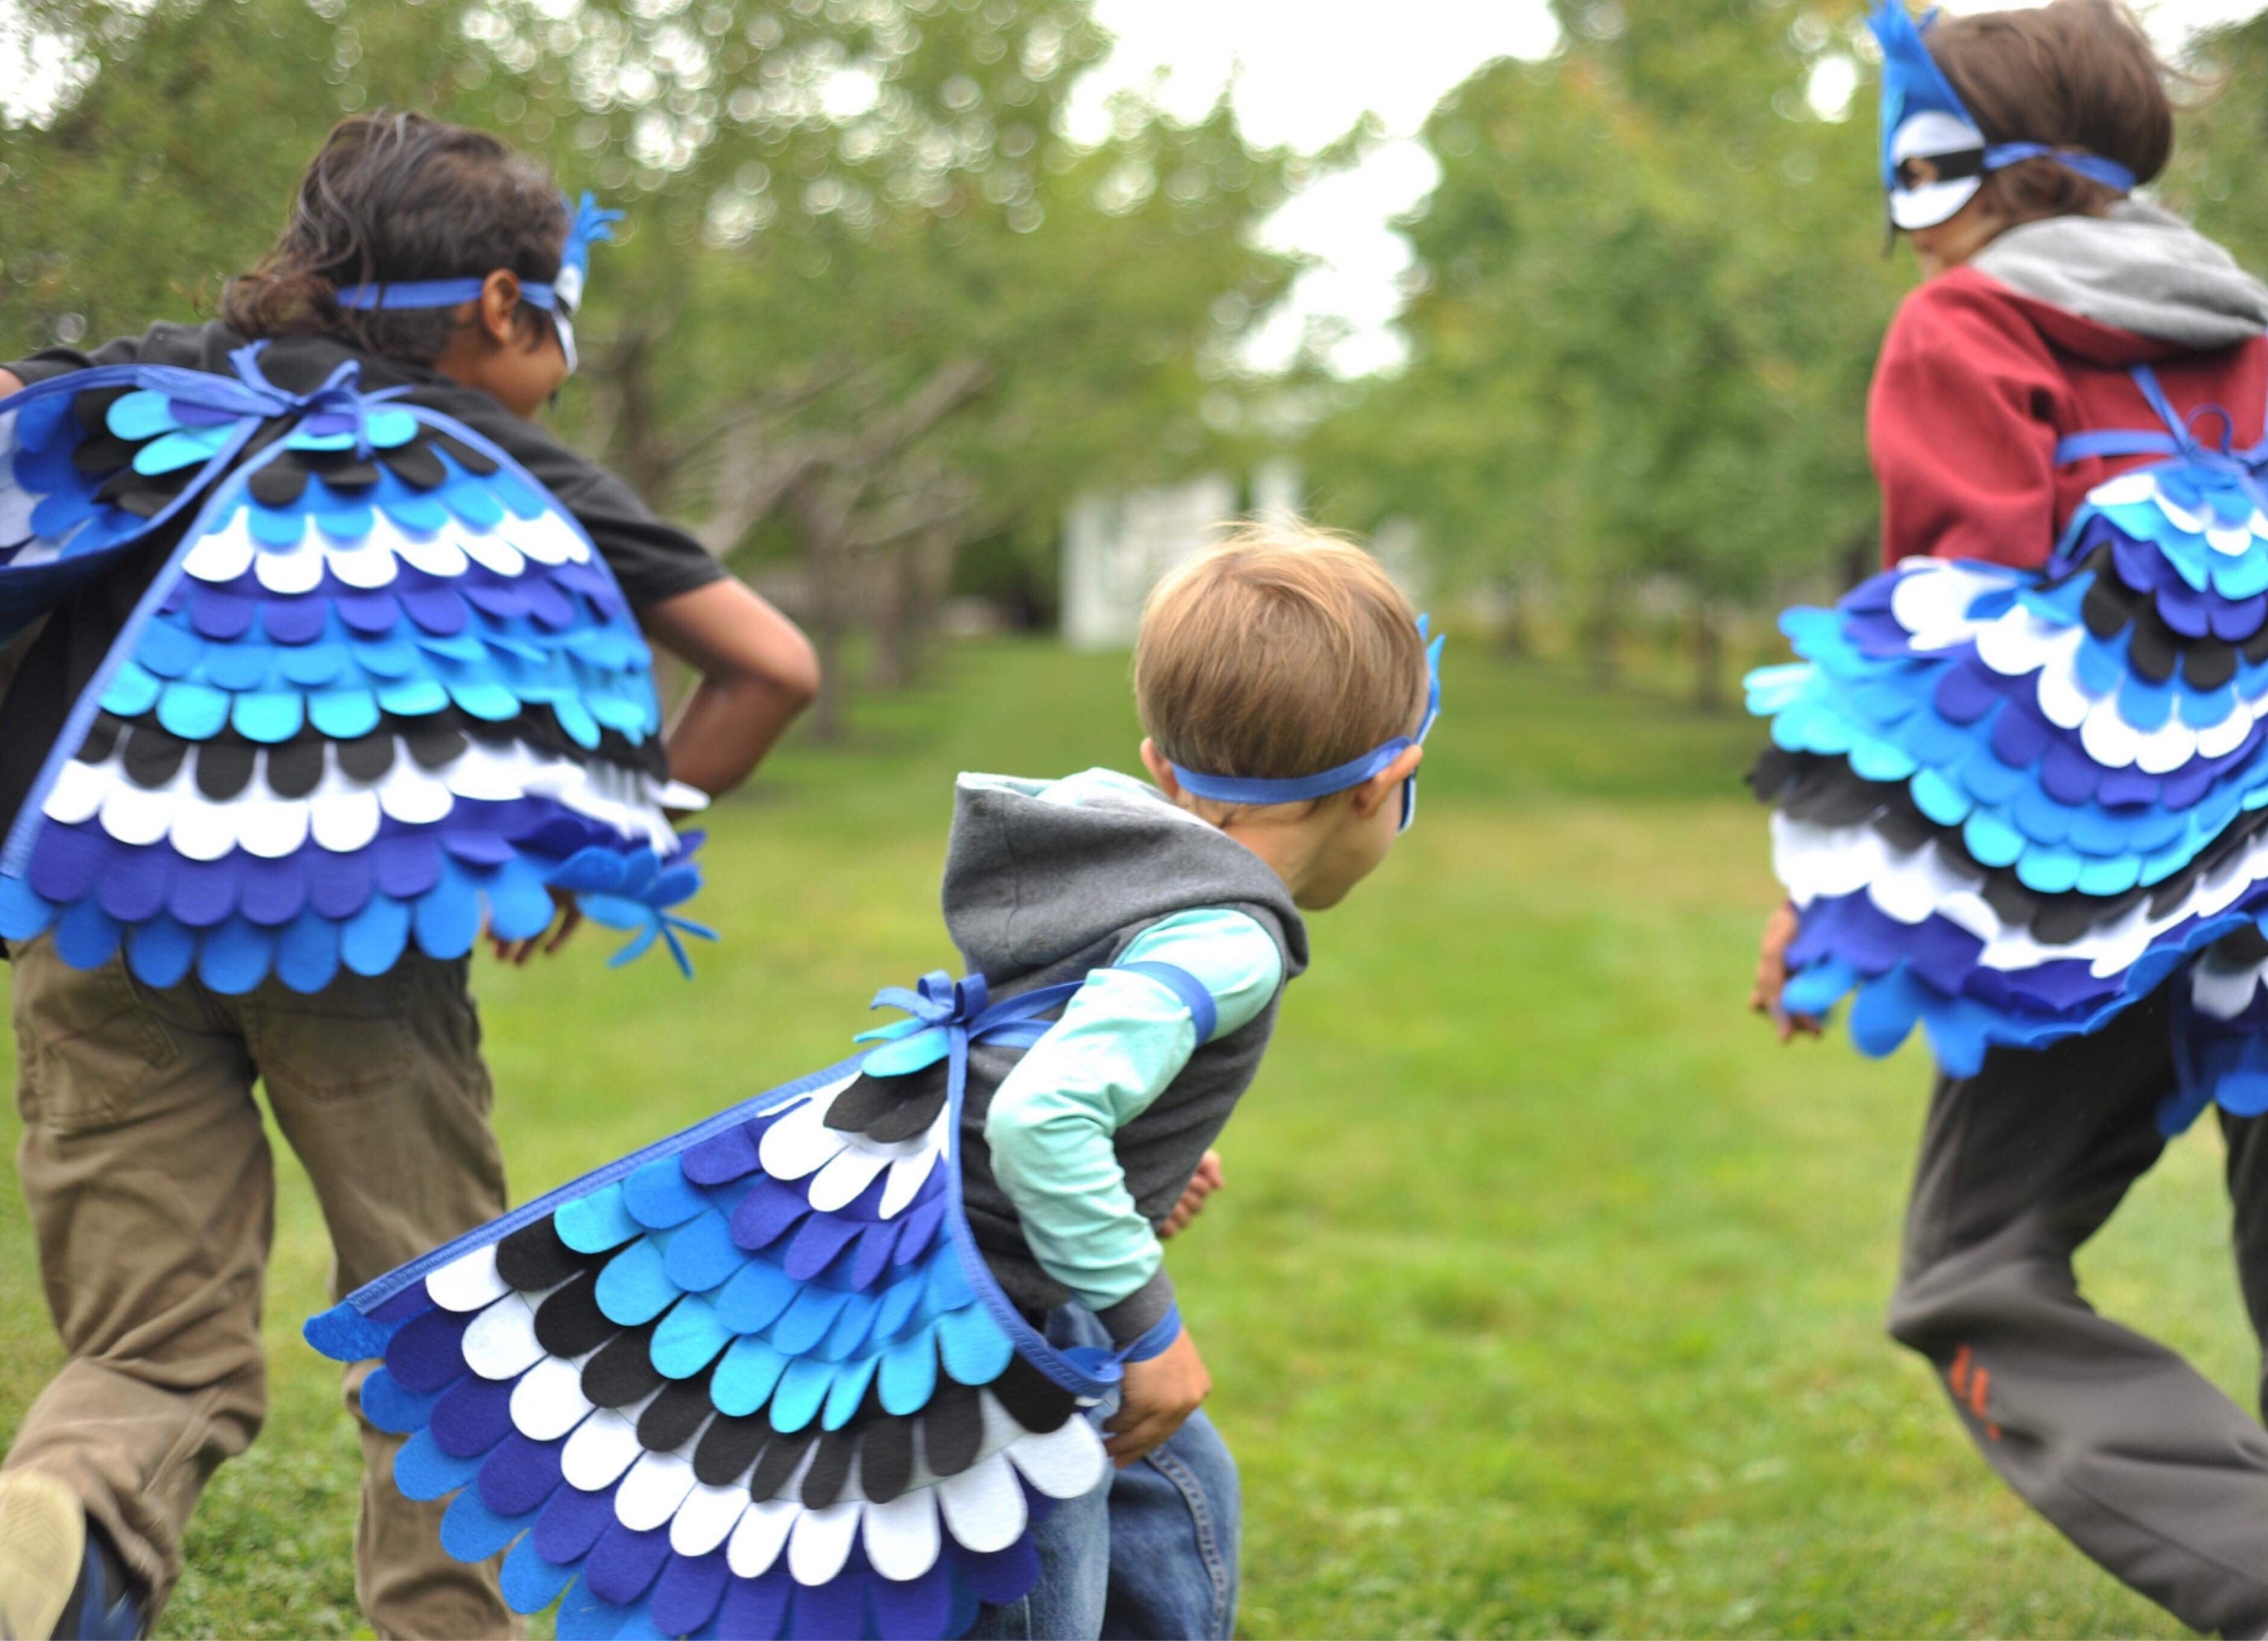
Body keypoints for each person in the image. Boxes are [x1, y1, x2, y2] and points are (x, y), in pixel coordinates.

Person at [294, 522, 1439, 1640]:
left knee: (1178, 1488)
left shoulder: (1122, 839)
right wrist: (1152, 1332)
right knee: (1029, 1586)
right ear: (1384, 782)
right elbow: (1042, 1116)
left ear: (1157, 763)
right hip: (981, 1332)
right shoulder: (1227, 939)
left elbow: (1055, 1050)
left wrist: (1143, 1160)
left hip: (966, 1254)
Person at [0, 111, 817, 1640]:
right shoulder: (485, 449)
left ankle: (60, 1523)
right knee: (438, 1337)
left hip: (90, 923)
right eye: (562, 321)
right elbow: (770, 666)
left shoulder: (151, 387)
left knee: (148, 1351)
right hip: (353, 949)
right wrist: (592, 852)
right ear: (503, 303)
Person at [1747, 4, 2268, 1636]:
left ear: (1947, 167)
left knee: (1973, 1270)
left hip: (2117, 877)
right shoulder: (2267, 353)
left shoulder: (1965, 329)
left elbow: (1954, 638)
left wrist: (1841, 897)